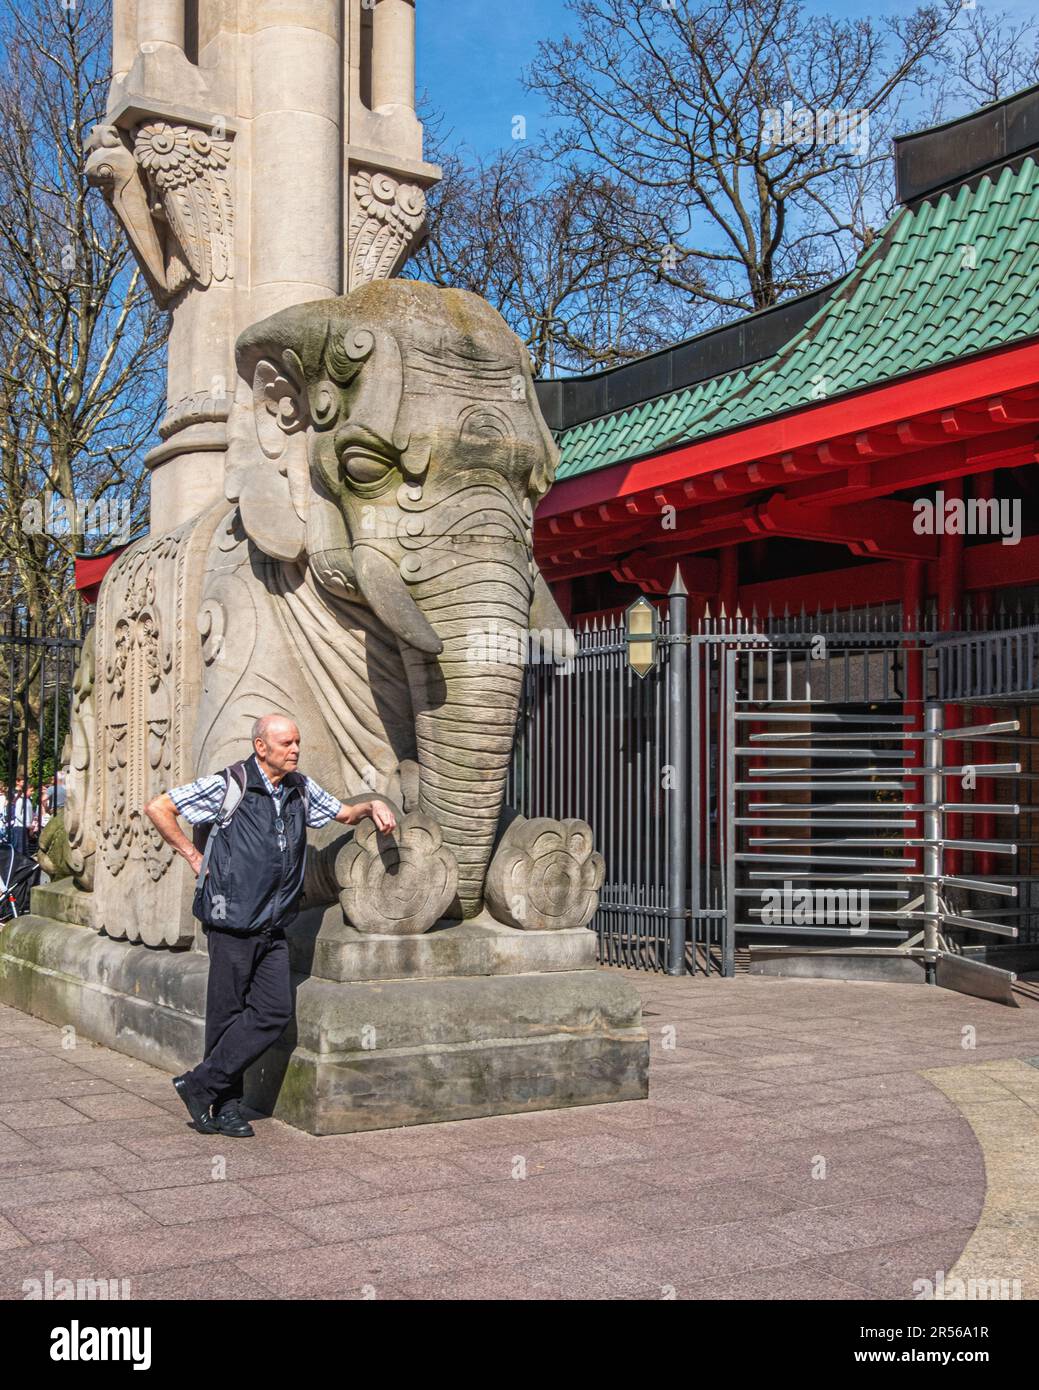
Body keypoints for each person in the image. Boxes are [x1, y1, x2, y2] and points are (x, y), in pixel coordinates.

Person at [145, 714, 396, 1138]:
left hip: (274, 922)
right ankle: (226, 1107)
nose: (295, 750)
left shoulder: (300, 788)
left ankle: (200, 1085)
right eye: (286, 744)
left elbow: (344, 813)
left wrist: (372, 806)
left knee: (273, 1012)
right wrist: (193, 856)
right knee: (227, 1016)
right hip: (232, 921)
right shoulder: (231, 784)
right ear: (261, 747)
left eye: (297, 742)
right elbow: (159, 806)